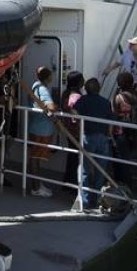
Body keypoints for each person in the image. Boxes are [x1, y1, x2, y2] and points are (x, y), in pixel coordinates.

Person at [72, 78, 116, 212]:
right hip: (102, 138)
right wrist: (109, 135)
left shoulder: (83, 100)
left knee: (85, 169)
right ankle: (96, 200)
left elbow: (73, 112)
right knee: (100, 170)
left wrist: (79, 122)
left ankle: (85, 201)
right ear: (99, 89)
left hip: (88, 137)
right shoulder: (105, 102)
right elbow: (110, 122)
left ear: (86, 89)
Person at [26, 66, 58, 197]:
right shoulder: (43, 89)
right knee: (35, 158)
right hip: (42, 130)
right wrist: (57, 106)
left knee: (35, 158)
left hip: (34, 127)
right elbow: (50, 107)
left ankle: (37, 185)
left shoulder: (34, 86)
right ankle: (36, 188)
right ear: (49, 77)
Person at [60, 71, 86, 192]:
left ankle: (67, 182)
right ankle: (73, 184)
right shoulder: (77, 97)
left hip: (68, 129)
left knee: (72, 157)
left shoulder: (65, 94)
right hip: (76, 131)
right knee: (76, 158)